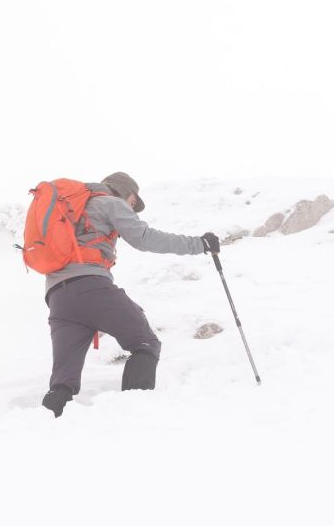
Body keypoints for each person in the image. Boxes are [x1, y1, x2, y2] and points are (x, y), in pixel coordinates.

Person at [41, 172, 220, 417]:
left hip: (58, 298)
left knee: (63, 381)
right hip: (91, 287)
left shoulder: (71, 209)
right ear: (124, 191)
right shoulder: (109, 202)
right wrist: (199, 244)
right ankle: (134, 417)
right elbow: (144, 238)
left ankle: (44, 424)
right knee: (145, 343)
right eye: (133, 201)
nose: (132, 207)